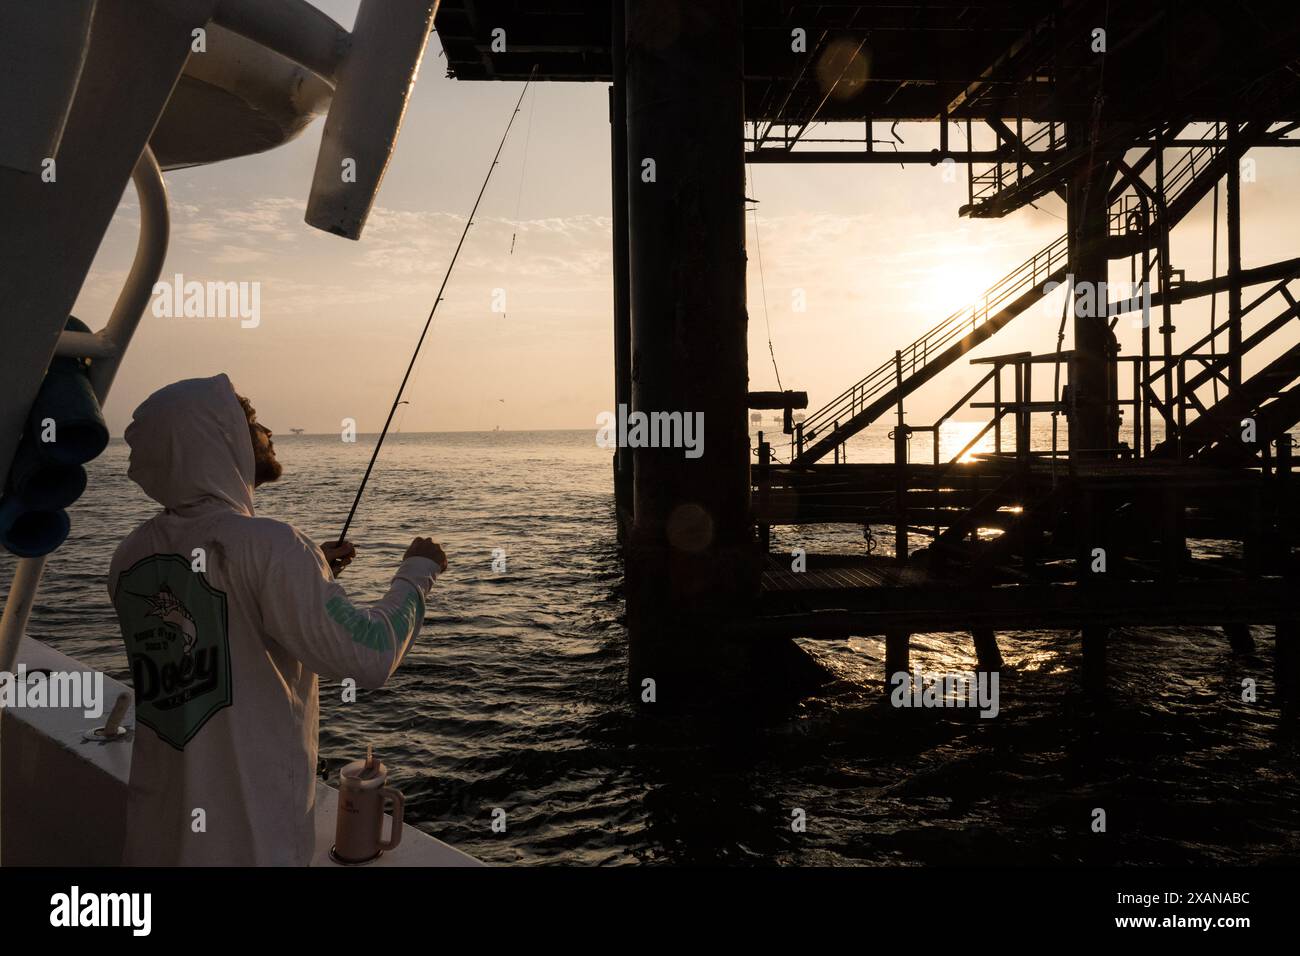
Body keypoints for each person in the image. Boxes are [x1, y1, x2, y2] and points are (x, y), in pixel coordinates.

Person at [107, 373, 446, 865]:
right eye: (251, 420)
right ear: (217, 436)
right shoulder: (271, 544)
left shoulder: (128, 558)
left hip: (154, 841)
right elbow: (371, 654)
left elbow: (218, 617)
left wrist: (312, 571)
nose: (266, 431)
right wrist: (418, 572)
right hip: (250, 845)